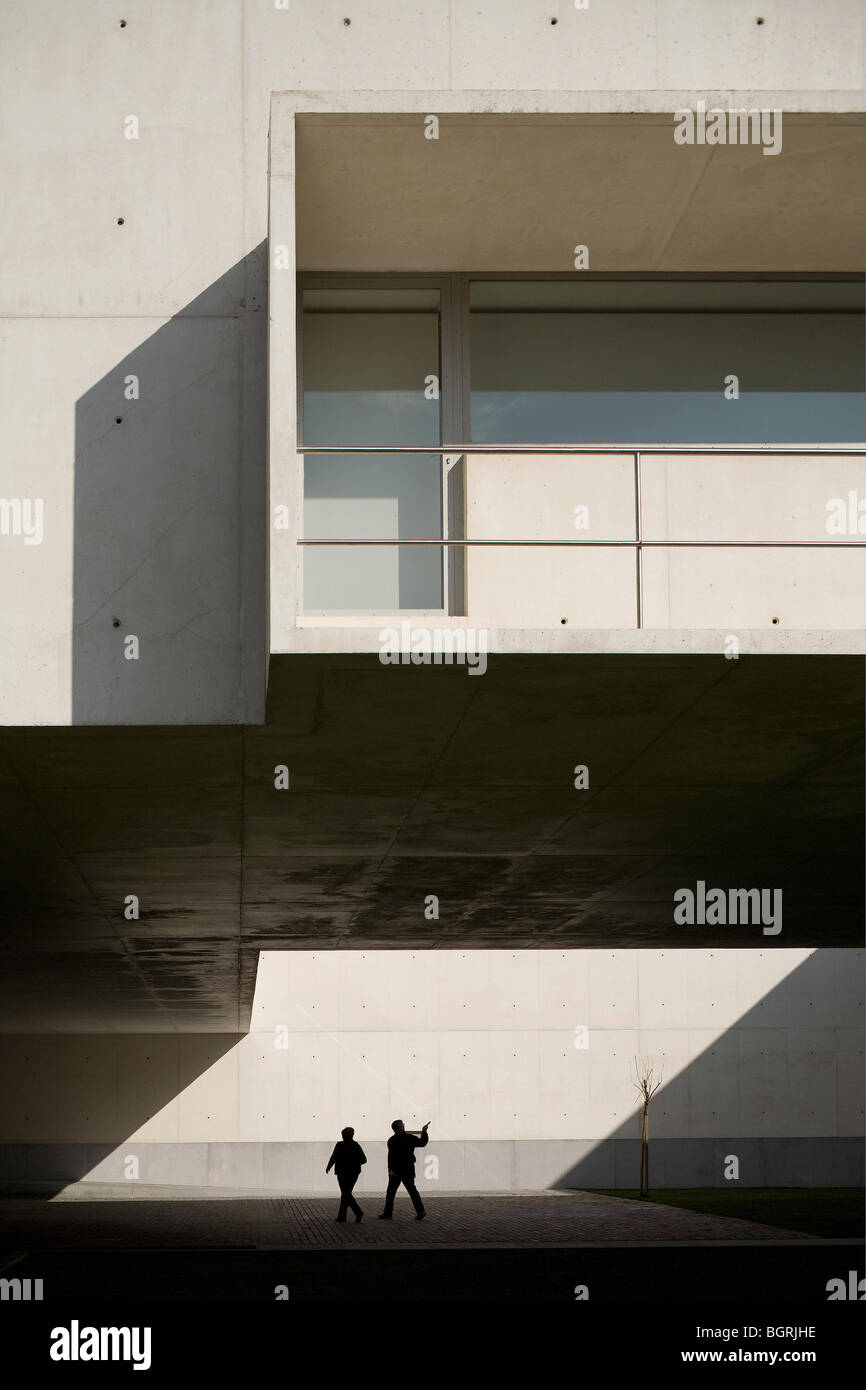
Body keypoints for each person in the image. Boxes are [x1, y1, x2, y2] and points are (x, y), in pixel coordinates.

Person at [379, 1119, 430, 1220]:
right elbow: (422, 1143)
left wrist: (390, 1169)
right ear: (401, 1127)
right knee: (412, 1191)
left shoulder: (391, 1140)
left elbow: (391, 1156)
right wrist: (424, 1131)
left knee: (391, 1193)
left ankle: (388, 1213)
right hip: (408, 1168)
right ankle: (420, 1211)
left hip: (396, 1170)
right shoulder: (409, 1138)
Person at [325, 1126, 367, 1222]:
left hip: (341, 1173)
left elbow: (333, 1157)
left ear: (343, 1135)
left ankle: (356, 1213)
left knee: (345, 1193)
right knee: (346, 1194)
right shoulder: (356, 1145)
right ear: (352, 1135)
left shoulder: (339, 1145)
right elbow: (364, 1160)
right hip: (353, 1173)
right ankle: (343, 1216)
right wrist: (354, 1163)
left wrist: (329, 1166)